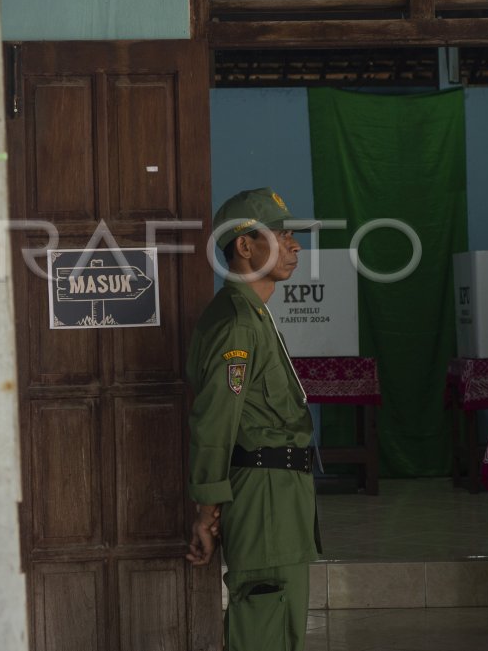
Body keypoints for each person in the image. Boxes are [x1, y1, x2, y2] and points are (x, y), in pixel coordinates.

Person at [186, 187, 320, 651]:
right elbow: (215, 419)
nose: (295, 246)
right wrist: (207, 507)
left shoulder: (252, 314)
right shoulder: (239, 323)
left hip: (278, 494)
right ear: (245, 246)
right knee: (265, 621)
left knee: (278, 623)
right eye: (281, 236)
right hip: (264, 497)